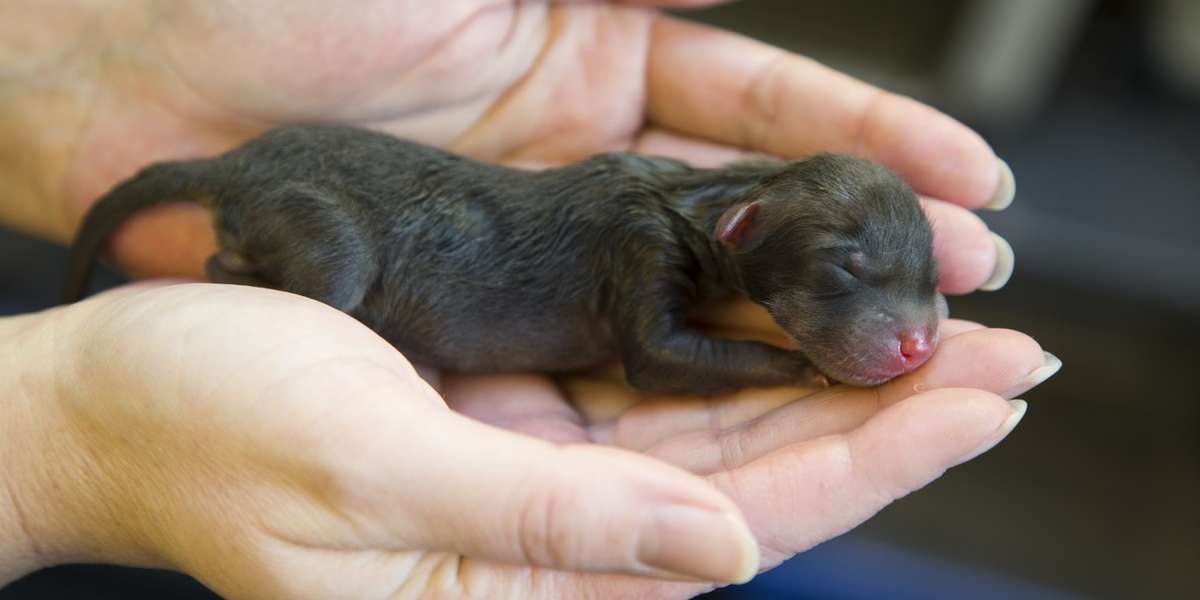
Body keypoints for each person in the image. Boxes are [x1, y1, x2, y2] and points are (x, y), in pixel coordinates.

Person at [0, 2, 1057, 598]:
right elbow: (651, 360)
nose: (911, 327)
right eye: (846, 281)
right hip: (320, 198)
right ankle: (241, 272)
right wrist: (802, 365)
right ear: (742, 232)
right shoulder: (647, 233)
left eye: (907, 279)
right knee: (333, 283)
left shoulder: (694, 222)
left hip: (327, 178)